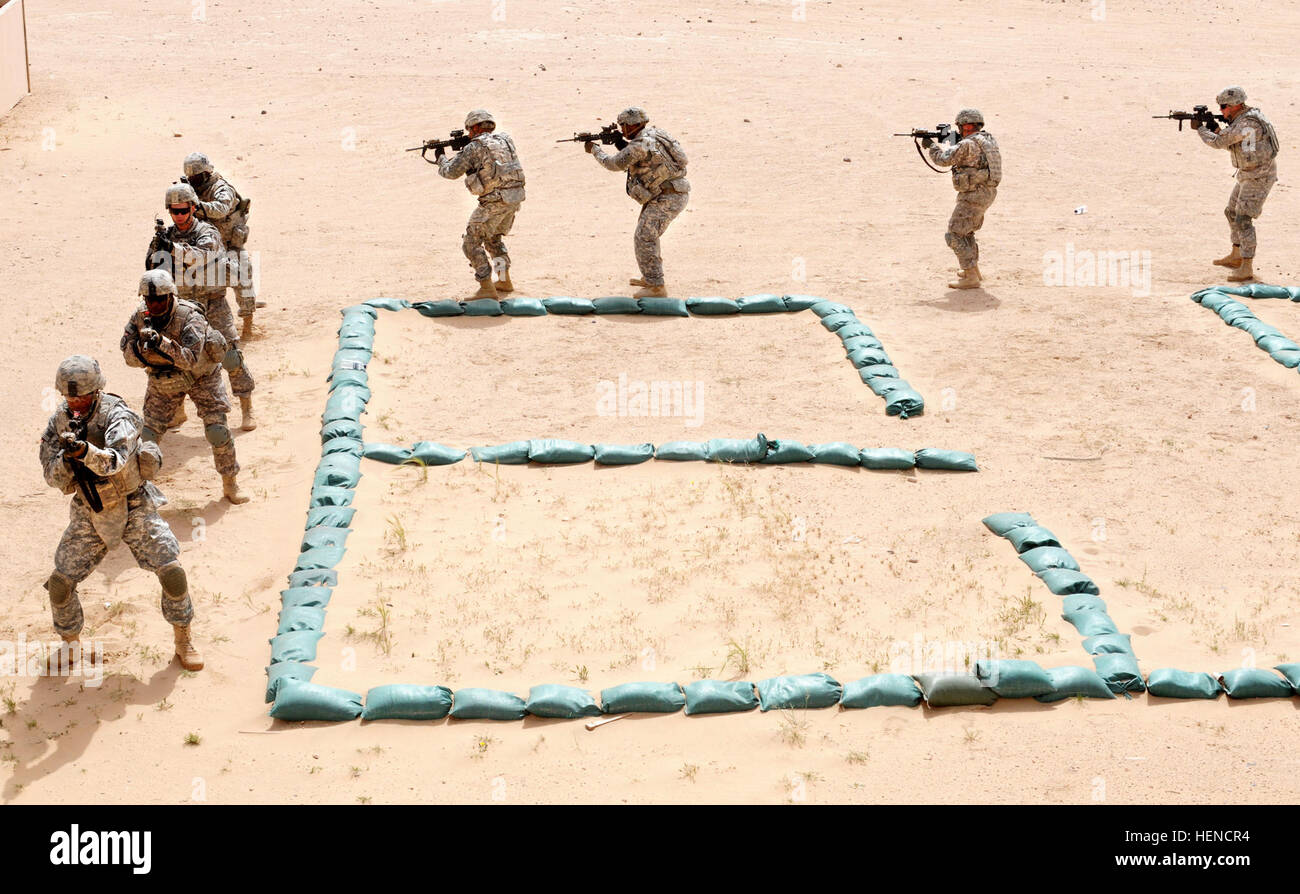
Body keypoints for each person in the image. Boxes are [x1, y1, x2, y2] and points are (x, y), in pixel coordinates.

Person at [39, 355, 203, 671]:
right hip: (90, 507)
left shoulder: (119, 415)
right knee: (60, 583)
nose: (76, 402)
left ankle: (183, 641)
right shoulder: (59, 422)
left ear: (97, 390)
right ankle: (70, 647)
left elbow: (115, 461)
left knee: (172, 572)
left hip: (133, 502)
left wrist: (85, 452)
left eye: (82, 396)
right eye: (70, 397)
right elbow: (51, 475)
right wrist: (66, 461)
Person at [122, 269, 250, 505]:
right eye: (150, 299)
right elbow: (128, 356)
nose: (155, 304)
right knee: (148, 437)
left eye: (160, 299)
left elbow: (189, 358)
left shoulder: (190, 317)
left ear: (170, 296)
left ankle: (230, 483)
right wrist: (144, 348)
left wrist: (160, 344)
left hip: (202, 375)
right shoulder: (139, 317)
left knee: (217, 431)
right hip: (165, 380)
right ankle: (135, 491)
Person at [148, 181, 256, 431]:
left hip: (213, 303)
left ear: (194, 208)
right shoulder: (167, 237)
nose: (179, 216)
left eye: (184, 210)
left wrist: (172, 250)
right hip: (183, 308)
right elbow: (153, 272)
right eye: (174, 211)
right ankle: (177, 411)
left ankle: (247, 407)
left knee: (230, 356)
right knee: (172, 358)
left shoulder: (208, 232)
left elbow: (203, 257)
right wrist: (157, 251)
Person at [585, 107, 690, 298]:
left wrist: (595, 150)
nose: (622, 129)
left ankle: (656, 286)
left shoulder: (638, 145)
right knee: (647, 235)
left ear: (631, 125)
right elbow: (645, 156)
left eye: (623, 126)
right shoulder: (656, 134)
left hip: (667, 196)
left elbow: (614, 164)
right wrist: (619, 142)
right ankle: (650, 276)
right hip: (670, 191)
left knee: (644, 236)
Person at [436, 109, 526, 299]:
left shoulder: (473, 147)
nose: (468, 133)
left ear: (475, 127)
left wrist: (440, 158)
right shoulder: (505, 140)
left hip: (494, 201)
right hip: (514, 197)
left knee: (471, 242)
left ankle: (486, 287)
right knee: (493, 239)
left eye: (469, 129)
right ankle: (503, 280)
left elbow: (451, 172)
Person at [1198, 87, 1279, 283]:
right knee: (1231, 211)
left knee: (1243, 219)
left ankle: (1247, 266)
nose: (1222, 110)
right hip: (1247, 173)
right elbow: (1232, 141)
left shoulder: (1247, 123)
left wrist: (1201, 130)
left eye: (1224, 107)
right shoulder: (1246, 119)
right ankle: (1236, 255)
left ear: (1236, 106)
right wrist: (1215, 128)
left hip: (1258, 176)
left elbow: (1220, 143)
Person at [183, 152, 261, 340]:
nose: (194, 181)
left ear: (207, 173)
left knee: (243, 276)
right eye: (190, 178)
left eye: (197, 177)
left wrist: (199, 206)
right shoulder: (190, 190)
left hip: (228, 245)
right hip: (205, 247)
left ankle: (248, 322)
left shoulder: (221, 188)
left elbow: (221, 209)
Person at [925, 108, 1001, 290]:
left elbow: (943, 160)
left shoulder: (966, 144)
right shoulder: (988, 140)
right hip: (986, 192)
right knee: (967, 232)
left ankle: (970, 277)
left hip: (973, 195)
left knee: (954, 234)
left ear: (965, 127)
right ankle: (973, 270)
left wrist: (930, 145)